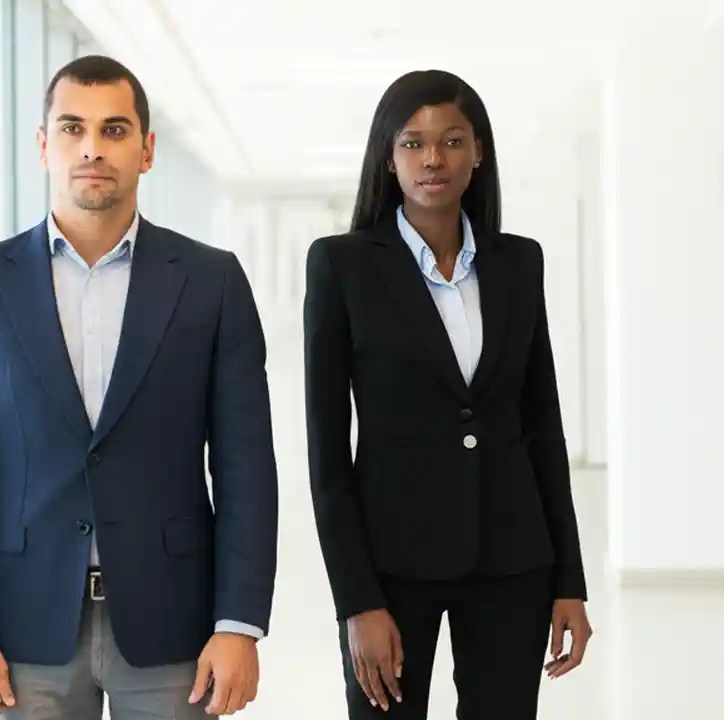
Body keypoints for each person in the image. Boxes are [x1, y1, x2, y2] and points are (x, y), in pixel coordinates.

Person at [0, 55, 278, 720]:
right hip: (22, 627)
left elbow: (246, 468)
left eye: (114, 130)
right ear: (43, 144)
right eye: (72, 128)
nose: (91, 148)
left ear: (146, 150)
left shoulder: (210, 281)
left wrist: (239, 623)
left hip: (175, 622)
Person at [303, 69, 593, 719]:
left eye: (452, 140)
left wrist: (568, 582)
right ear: (388, 157)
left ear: (478, 152)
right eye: (412, 142)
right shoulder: (341, 266)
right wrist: (357, 601)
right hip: (393, 567)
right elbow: (326, 455)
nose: (433, 158)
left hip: (513, 561)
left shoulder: (519, 263)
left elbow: (542, 426)